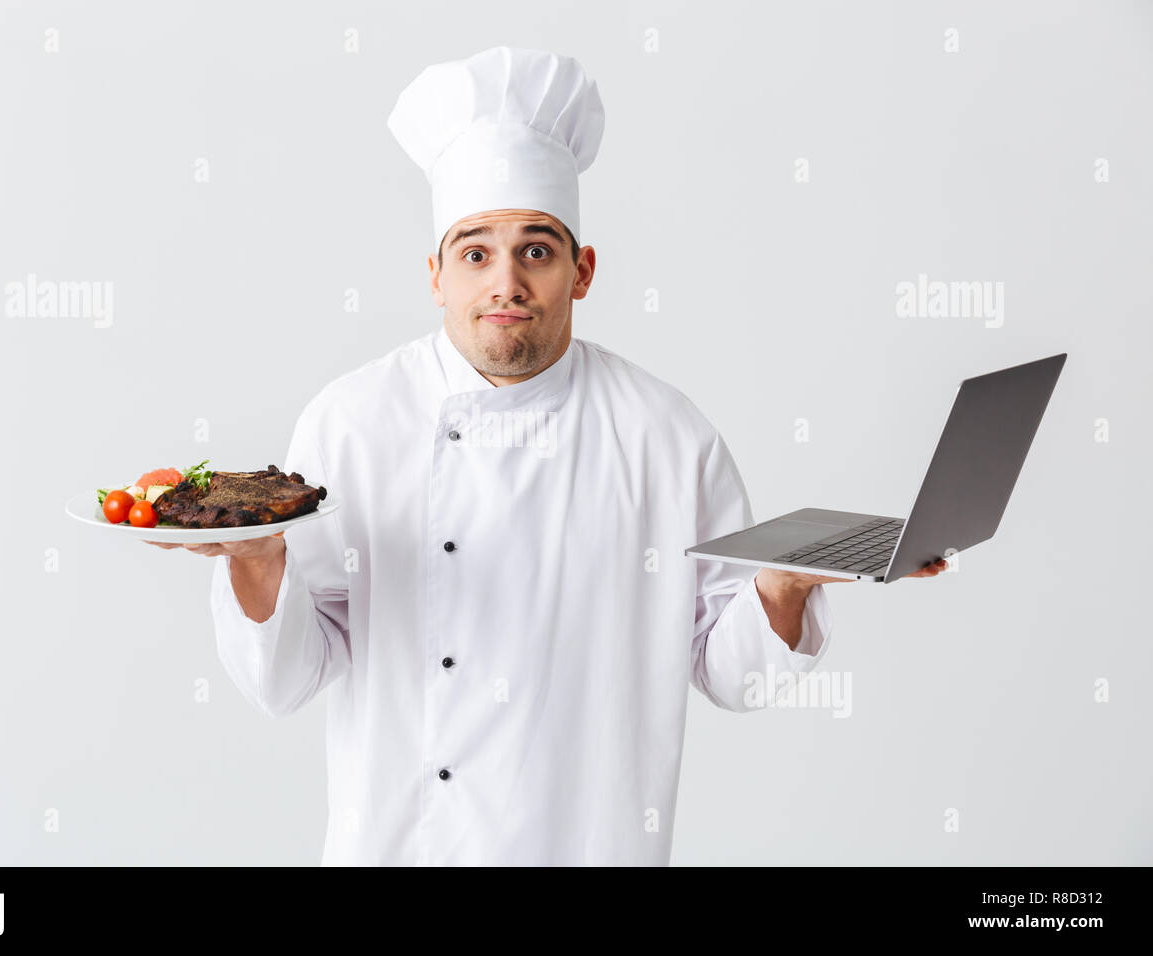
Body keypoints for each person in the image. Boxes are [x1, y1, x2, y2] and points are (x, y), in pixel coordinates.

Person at [146, 46, 947, 866]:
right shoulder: (350, 422)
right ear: (435, 276)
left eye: (536, 250)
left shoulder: (666, 436)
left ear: (582, 270)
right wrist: (255, 560)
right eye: (474, 253)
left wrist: (781, 582)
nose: (506, 284)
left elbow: (742, 680)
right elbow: (284, 682)